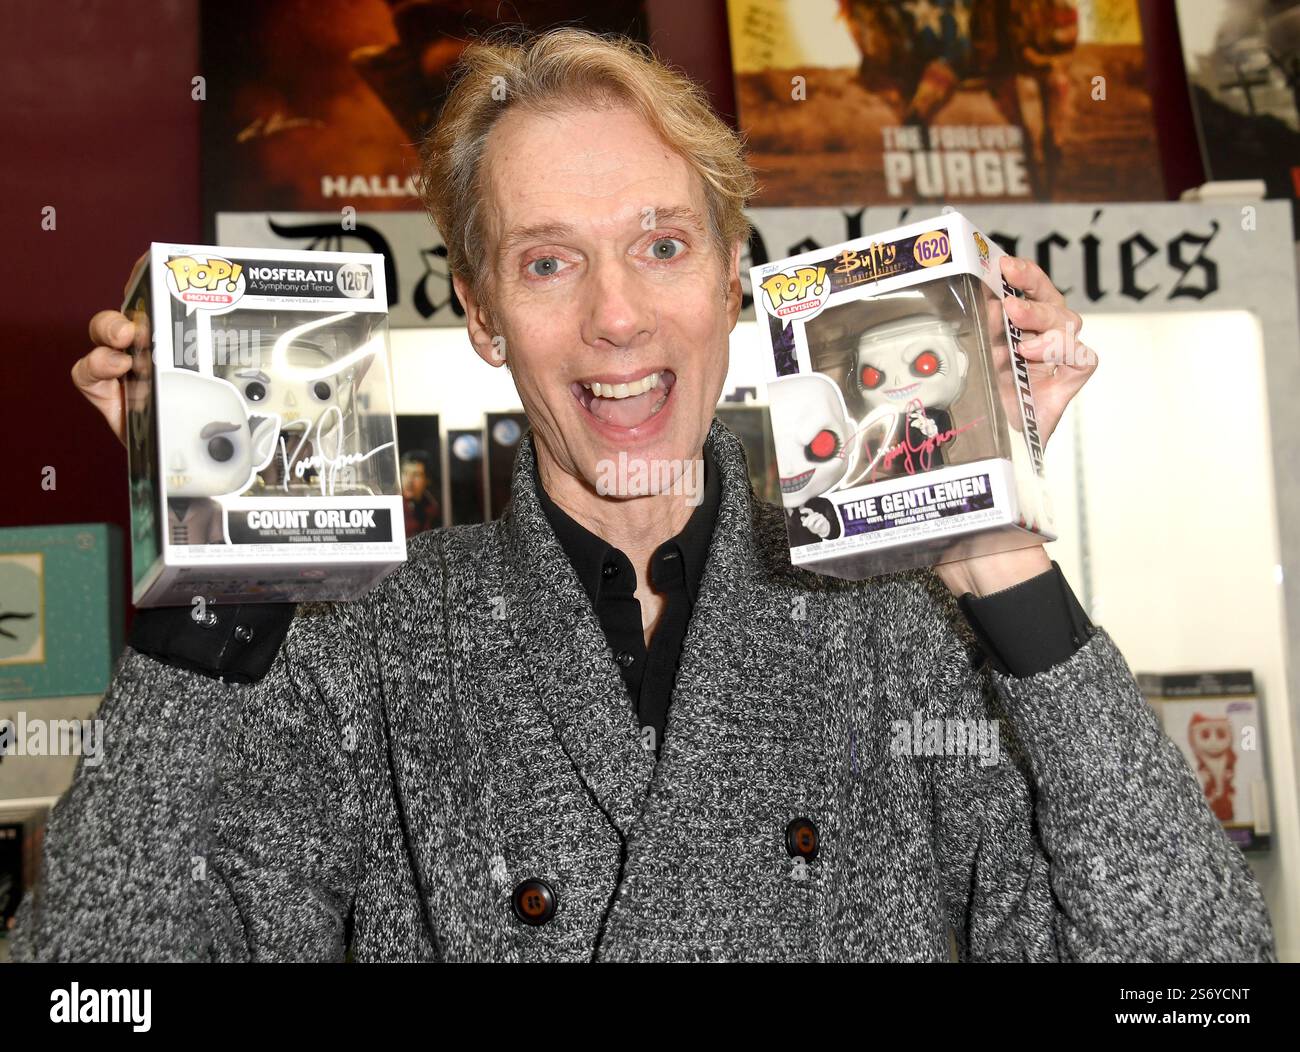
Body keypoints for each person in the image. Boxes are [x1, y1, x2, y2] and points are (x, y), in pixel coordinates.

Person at [23, 28, 1274, 962]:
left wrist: (996, 545)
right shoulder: (358, 642)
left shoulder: (908, 619)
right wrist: (200, 557)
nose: (616, 315)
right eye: (548, 260)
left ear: (735, 277)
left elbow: (1194, 974)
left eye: (664, 244)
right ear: (479, 313)